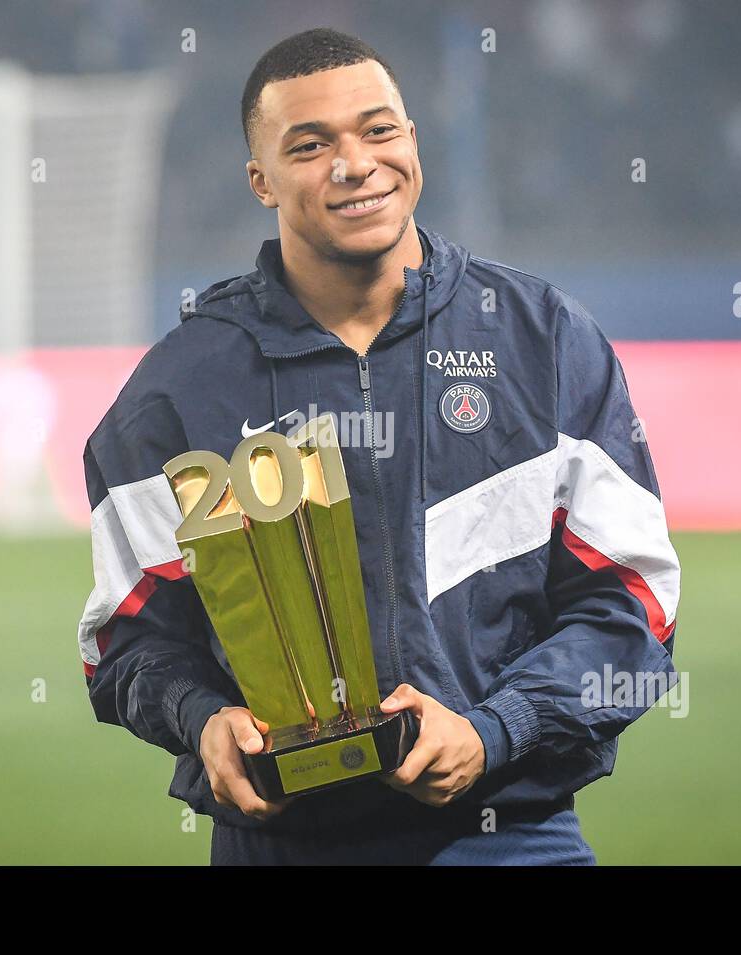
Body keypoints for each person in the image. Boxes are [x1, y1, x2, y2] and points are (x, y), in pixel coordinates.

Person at [77, 27, 681, 865]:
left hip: (509, 838)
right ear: (260, 179)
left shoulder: (544, 342)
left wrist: (493, 729)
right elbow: (128, 640)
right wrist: (202, 718)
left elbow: (633, 605)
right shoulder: (179, 391)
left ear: (413, 143)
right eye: (311, 144)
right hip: (279, 847)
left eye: (379, 130)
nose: (355, 163)